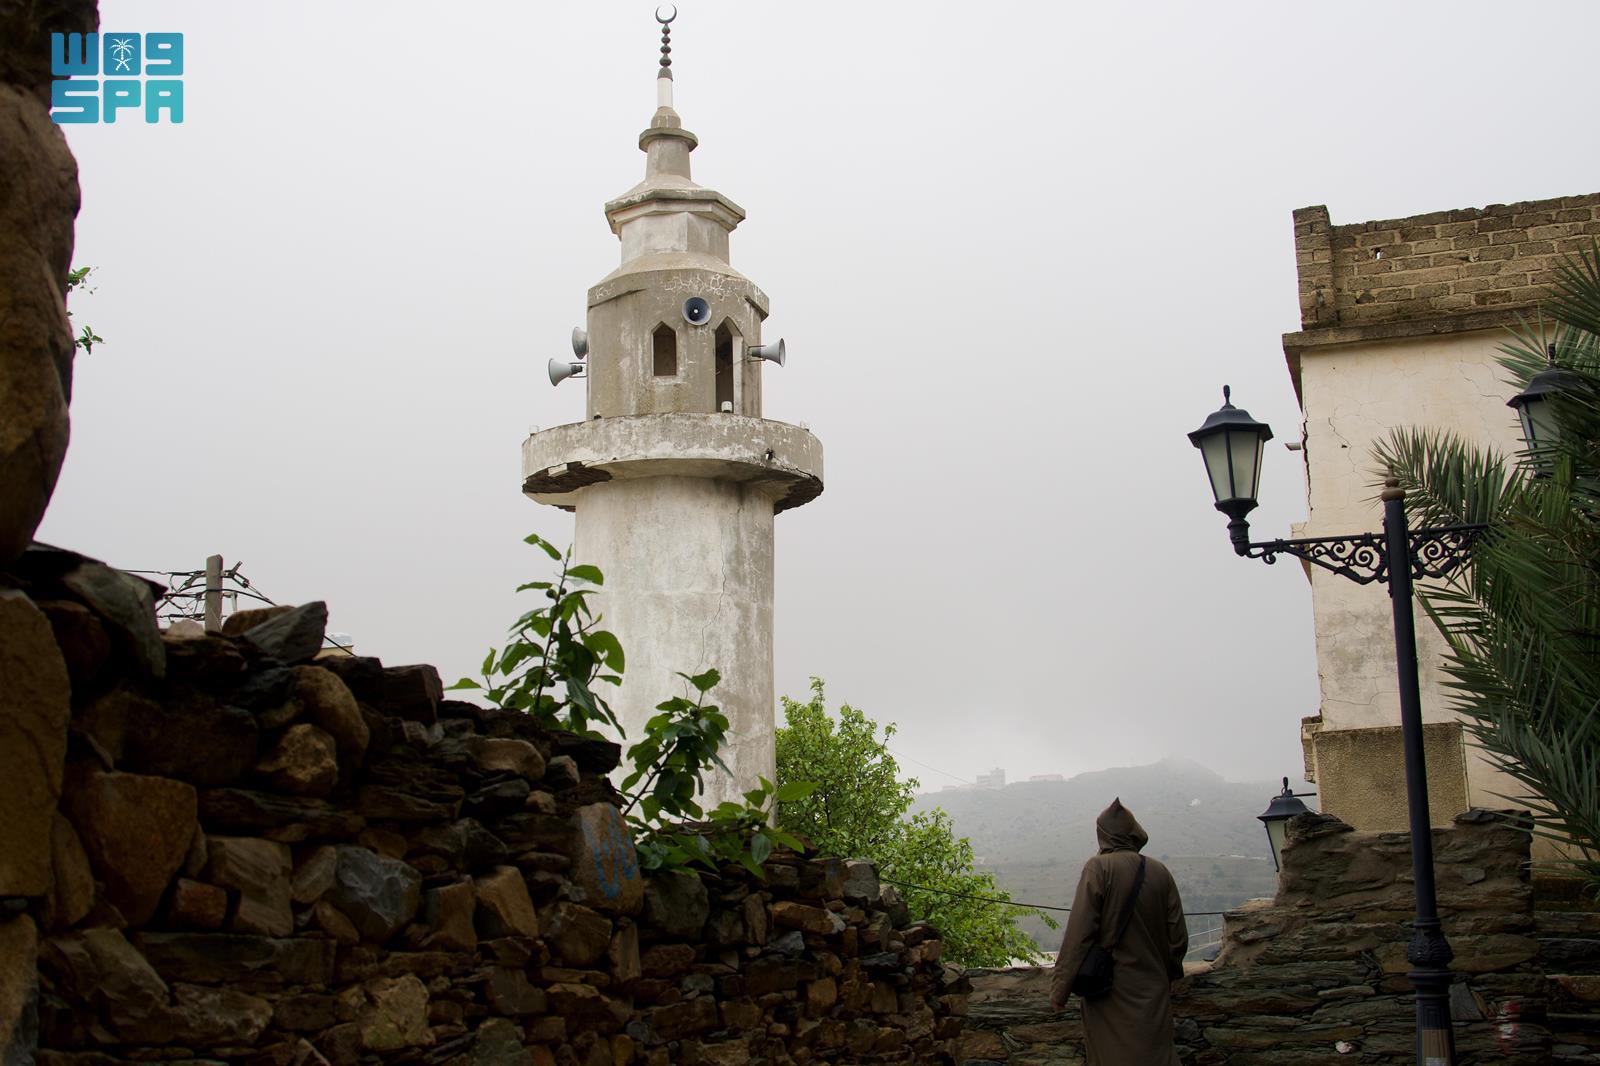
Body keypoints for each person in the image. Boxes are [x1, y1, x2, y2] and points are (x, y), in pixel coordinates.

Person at [1050, 798, 1189, 1066]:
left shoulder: (1098, 868)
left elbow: (1080, 934)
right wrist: (1166, 974)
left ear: (1103, 834)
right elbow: (1178, 937)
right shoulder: (1159, 871)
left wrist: (1059, 991)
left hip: (1110, 992)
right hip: (1154, 991)